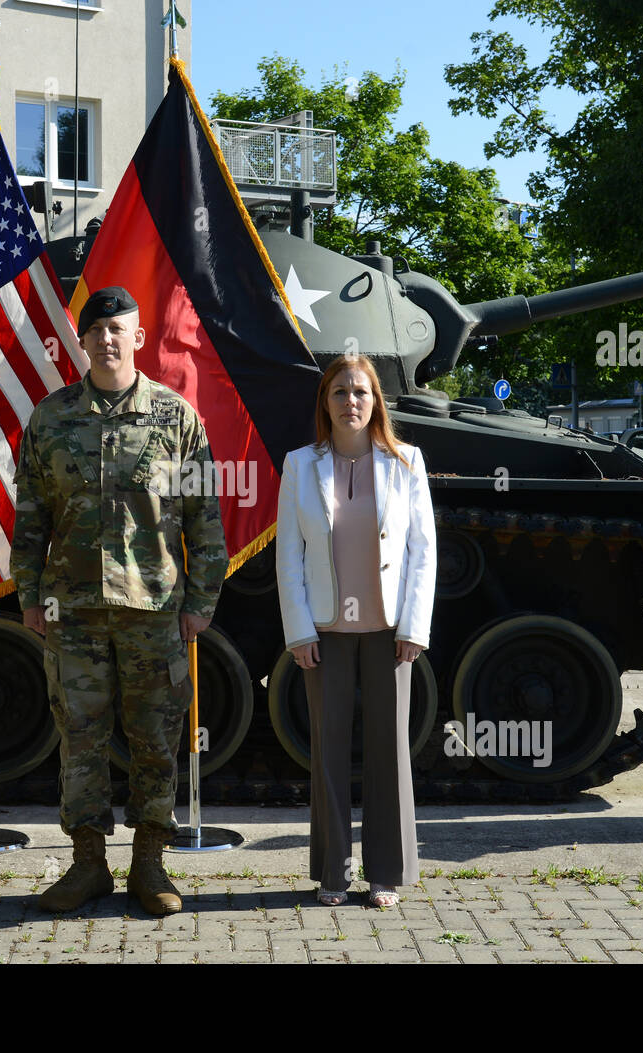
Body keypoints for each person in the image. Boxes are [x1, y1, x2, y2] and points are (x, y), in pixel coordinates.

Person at [11, 286, 227, 916]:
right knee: (80, 738)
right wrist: (29, 596)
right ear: (83, 340)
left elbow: (203, 518)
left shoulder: (177, 418)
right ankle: (86, 866)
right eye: (97, 329)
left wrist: (201, 599)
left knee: (155, 737)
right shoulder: (51, 418)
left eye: (119, 329)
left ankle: (150, 865)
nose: (108, 339)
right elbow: (30, 516)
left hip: (154, 608)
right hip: (71, 610)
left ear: (138, 339)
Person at [275, 354, 437, 908]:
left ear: (376, 402)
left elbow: (423, 553)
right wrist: (299, 631)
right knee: (329, 750)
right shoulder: (300, 465)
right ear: (326, 401)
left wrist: (416, 626)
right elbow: (288, 558)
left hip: (390, 631)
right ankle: (332, 874)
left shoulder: (406, 461)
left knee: (390, 752)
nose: (351, 401)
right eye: (340, 391)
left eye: (361, 392)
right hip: (325, 630)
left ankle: (385, 874)